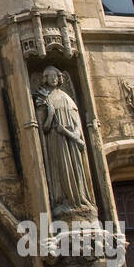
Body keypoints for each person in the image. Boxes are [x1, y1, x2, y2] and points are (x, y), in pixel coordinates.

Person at [34, 66, 94, 215]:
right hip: (55, 139)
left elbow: (77, 123)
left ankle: (79, 198)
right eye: (50, 76)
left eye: (56, 76)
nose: (54, 78)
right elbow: (44, 128)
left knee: (75, 168)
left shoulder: (66, 97)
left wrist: (74, 135)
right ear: (45, 78)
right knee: (60, 168)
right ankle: (62, 201)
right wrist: (50, 113)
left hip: (70, 139)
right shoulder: (44, 98)